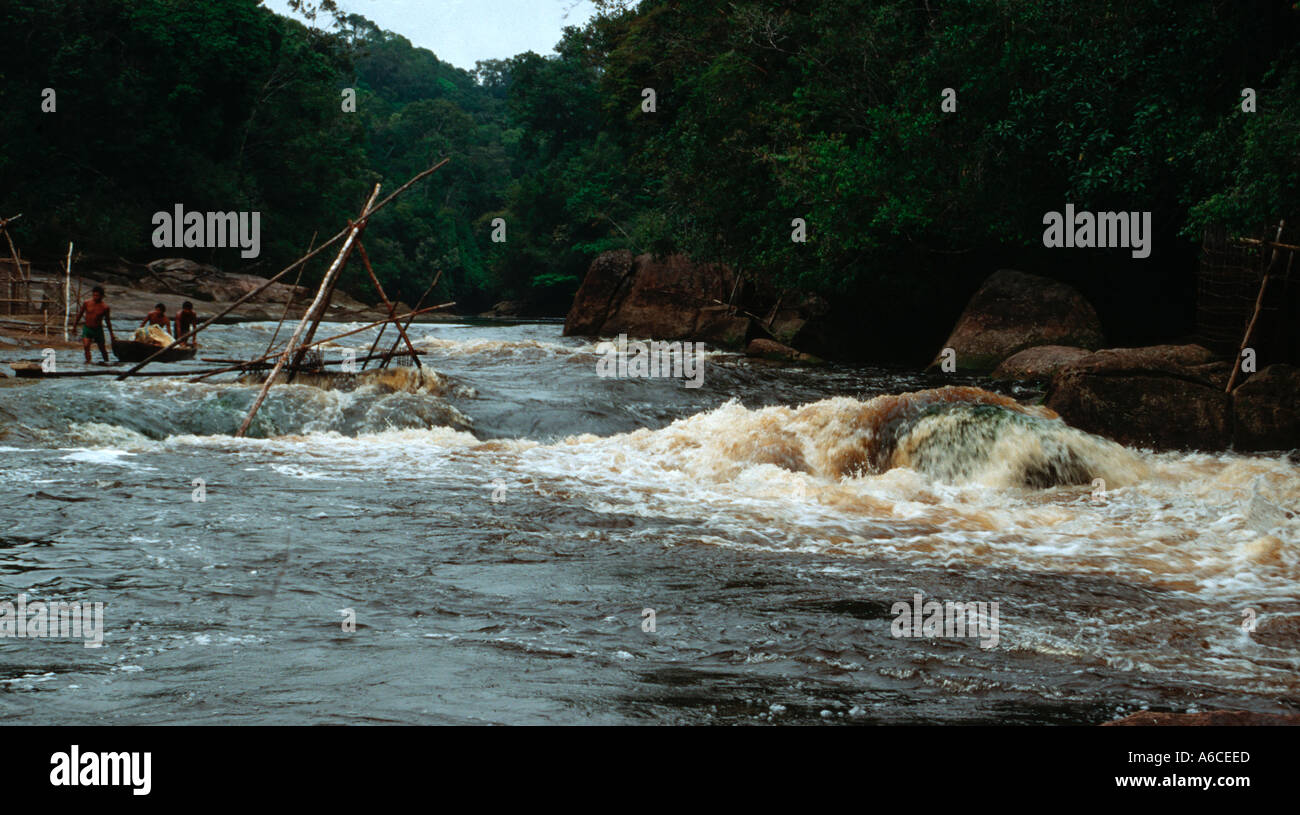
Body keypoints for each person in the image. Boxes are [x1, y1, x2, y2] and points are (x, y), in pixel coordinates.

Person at [72, 286, 115, 364]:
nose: (95, 297)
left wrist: (111, 334)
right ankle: (88, 363)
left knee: (102, 349)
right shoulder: (87, 303)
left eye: (97, 296)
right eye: (94, 295)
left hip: (98, 329)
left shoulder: (105, 307)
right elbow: (80, 315)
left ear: (102, 296)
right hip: (87, 328)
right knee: (86, 346)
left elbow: (107, 321)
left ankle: (107, 362)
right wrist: (74, 326)